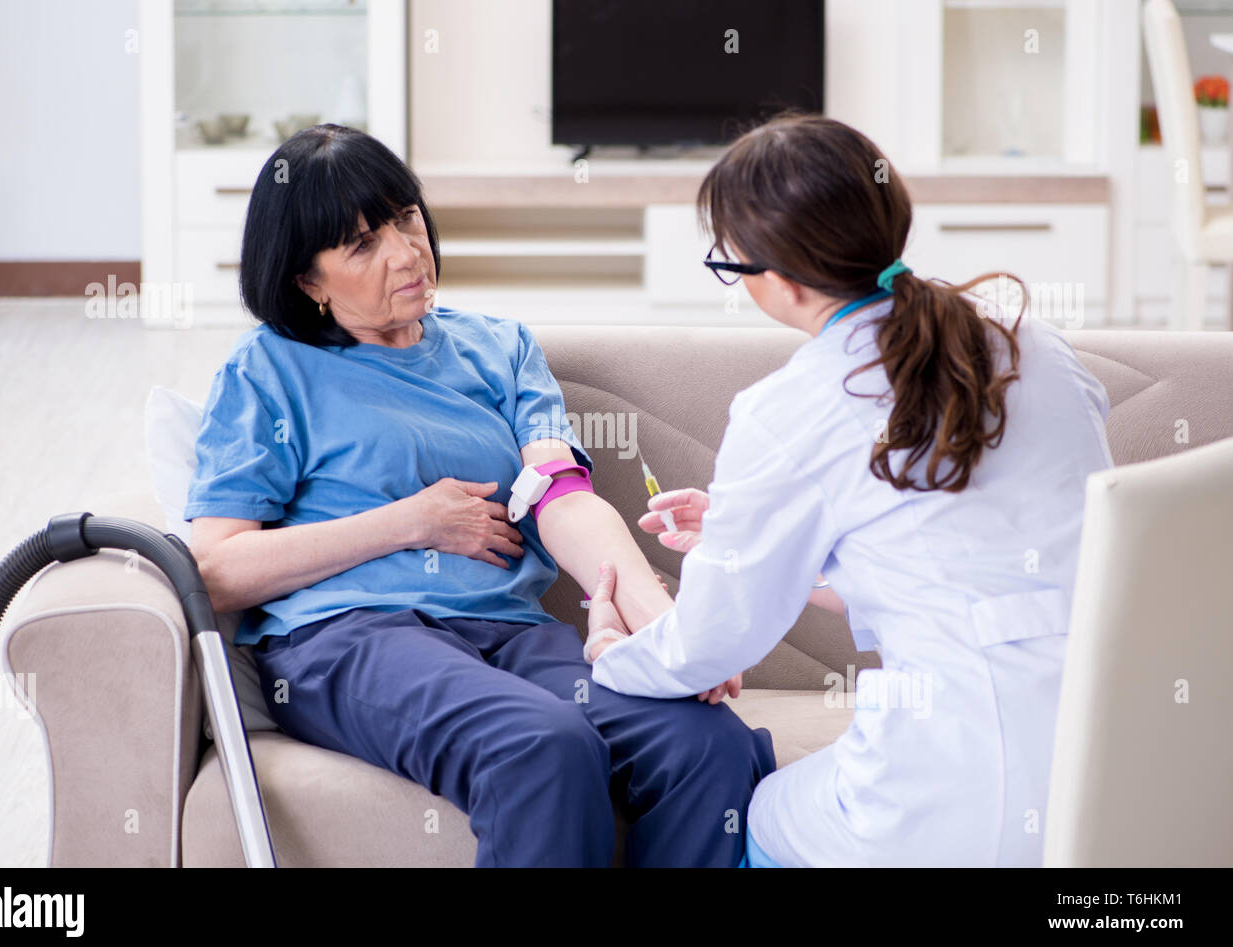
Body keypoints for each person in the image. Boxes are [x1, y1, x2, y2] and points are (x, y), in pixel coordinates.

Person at [182, 124, 775, 867]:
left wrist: (670, 630)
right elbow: (215, 566)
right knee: (541, 745)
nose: (405, 250)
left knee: (705, 745)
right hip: (349, 639)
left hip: (509, 636)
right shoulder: (268, 371)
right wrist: (408, 523)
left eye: (404, 218)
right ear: (309, 281)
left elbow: (558, 494)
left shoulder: (499, 347)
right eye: (361, 244)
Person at [583, 112, 1114, 867]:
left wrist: (609, 652)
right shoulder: (1037, 345)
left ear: (777, 279)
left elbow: (708, 647)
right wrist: (765, 548)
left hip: (966, 793)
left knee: (760, 818)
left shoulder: (789, 408)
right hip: (1119, 757)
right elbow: (960, 565)